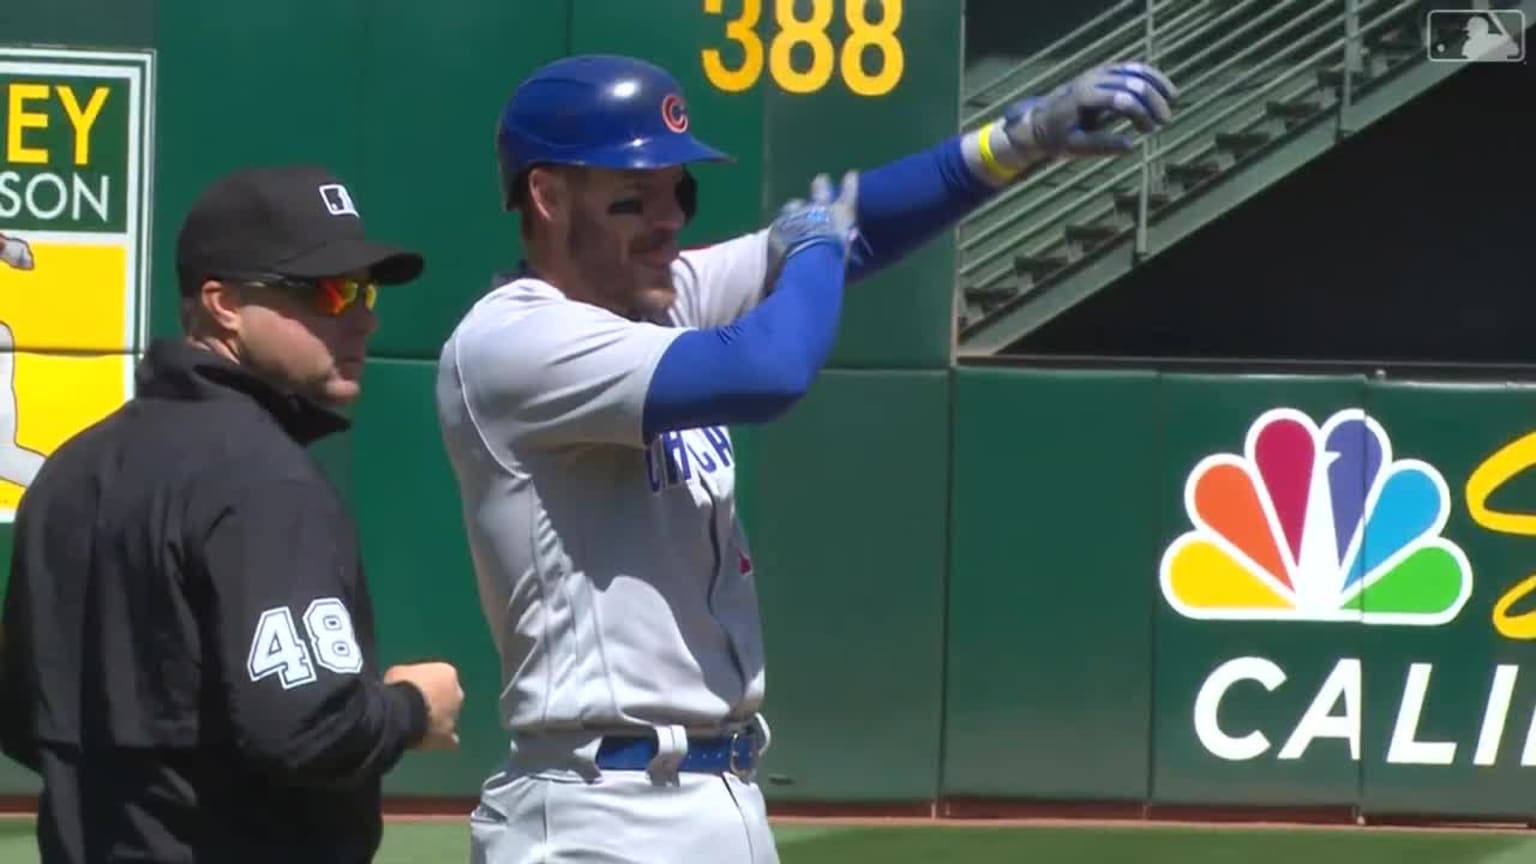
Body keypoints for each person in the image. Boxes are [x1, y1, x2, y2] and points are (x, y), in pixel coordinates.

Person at [434, 54, 1177, 863]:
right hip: (598, 810)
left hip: (722, 790)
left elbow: (854, 226)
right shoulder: (515, 339)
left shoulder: (658, 300)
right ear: (546, 195)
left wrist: (1018, 141)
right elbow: (770, 368)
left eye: (679, 190)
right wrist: (816, 245)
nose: (669, 218)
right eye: (632, 195)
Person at [0, 165, 466, 863]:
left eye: (364, 291)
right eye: (329, 291)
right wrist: (410, 707)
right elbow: (308, 726)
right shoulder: (263, 480)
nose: (364, 315)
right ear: (223, 303)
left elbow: (22, 722)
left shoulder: (69, 469)